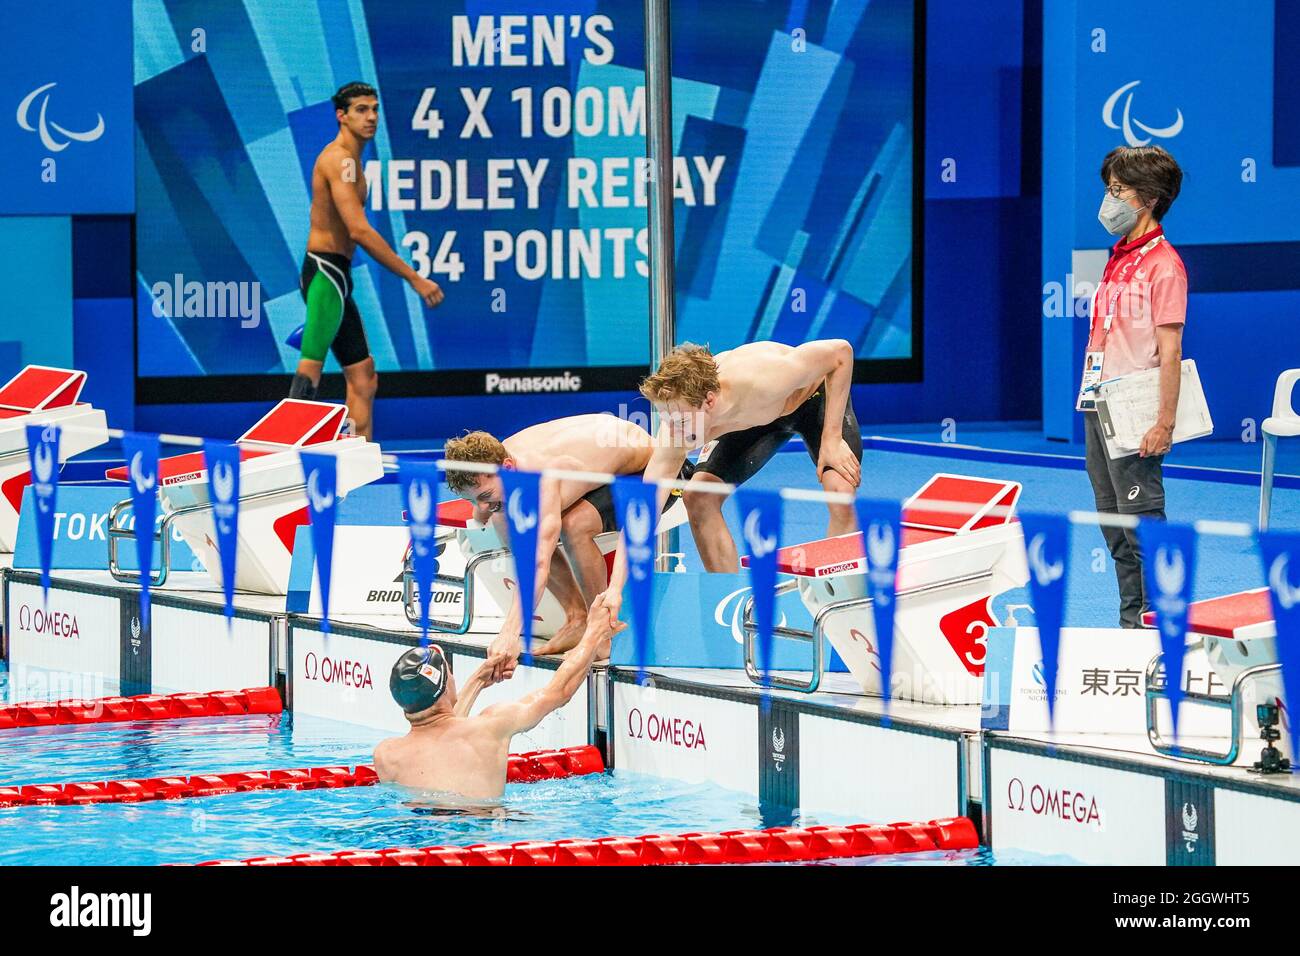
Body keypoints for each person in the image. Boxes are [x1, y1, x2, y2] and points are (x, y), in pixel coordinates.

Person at [601, 338, 862, 614]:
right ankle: (730, 600)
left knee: (841, 496)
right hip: (752, 420)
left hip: (811, 401)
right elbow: (641, 515)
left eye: (680, 422)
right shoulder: (676, 430)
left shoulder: (767, 376)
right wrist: (615, 589)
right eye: (666, 420)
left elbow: (841, 353)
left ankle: (838, 607)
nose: (673, 432)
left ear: (709, 401)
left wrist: (832, 437)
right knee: (699, 498)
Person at [443, 415, 690, 677]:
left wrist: (509, 632)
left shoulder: (541, 472)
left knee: (574, 526)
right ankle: (576, 618)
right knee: (505, 520)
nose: (480, 507)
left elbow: (539, 561)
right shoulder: (499, 464)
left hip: (659, 470)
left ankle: (602, 632)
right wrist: (486, 507)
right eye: (471, 500)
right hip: (605, 469)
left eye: (484, 497)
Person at [292, 81, 445, 439]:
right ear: (341, 116)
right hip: (325, 274)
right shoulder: (340, 159)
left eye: (374, 109)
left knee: (363, 379)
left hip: (337, 276)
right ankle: (282, 462)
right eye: (361, 110)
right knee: (309, 372)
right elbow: (358, 230)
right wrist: (414, 277)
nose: (371, 117)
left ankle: (355, 458)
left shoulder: (352, 160)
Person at [373, 595, 625, 800]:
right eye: (450, 674)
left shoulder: (386, 756)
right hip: (484, 839)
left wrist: (478, 681)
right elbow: (559, 691)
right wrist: (594, 633)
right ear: (443, 690)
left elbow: (441, 732)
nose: (453, 677)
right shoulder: (490, 726)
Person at [1080, 145, 1186, 627]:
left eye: (1118, 190)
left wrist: (1163, 422)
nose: (1109, 198)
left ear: (1148, 197)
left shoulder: (1165, 264)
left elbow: (1170, 351)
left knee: (1144, 526)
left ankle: (1161, 625)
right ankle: (1130, 624)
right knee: (1114, 525)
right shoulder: (1118, 258)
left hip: (1135, 410)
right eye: (1109, 188)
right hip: (1098, 404)